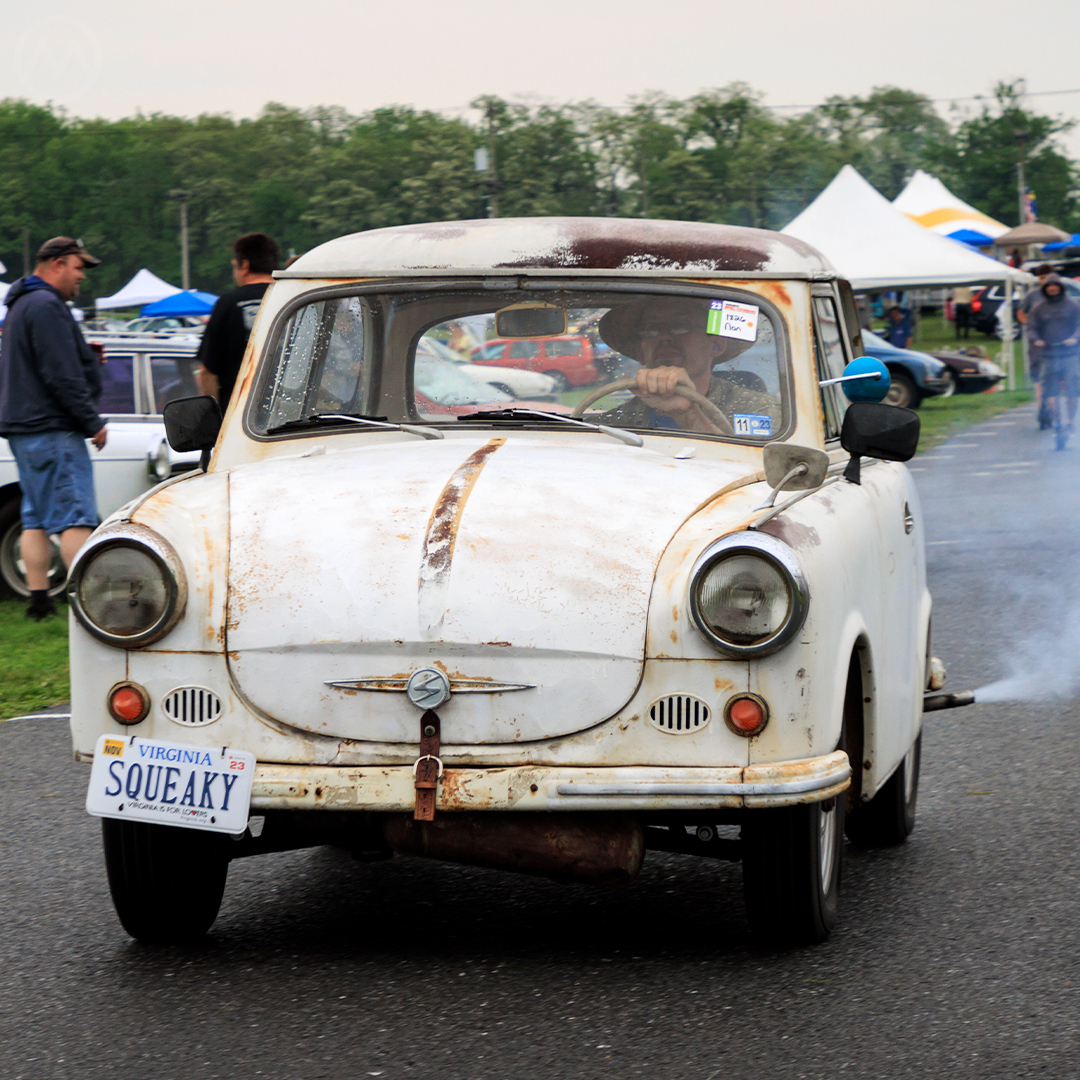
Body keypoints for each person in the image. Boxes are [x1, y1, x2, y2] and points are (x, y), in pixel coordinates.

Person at [0, 237, 107, 619]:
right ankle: (88, 608)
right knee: (75, 515)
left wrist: (85, 359)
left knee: (35, 517)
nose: (82, 277)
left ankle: (39, 602)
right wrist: (91, 421)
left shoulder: (19, 305)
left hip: (22, 427)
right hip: (53, 428)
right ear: (57, 263)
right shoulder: (48, 306)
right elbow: (60, 376)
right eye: (79, 268)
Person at [596, 296, 779, 437]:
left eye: (681, 325)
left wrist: (688, 414)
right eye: (651, 328)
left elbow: (760, 473)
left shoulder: (757, 410)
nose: (664, 337)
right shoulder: (614, 424)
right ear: (641, 352)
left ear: (716, 345)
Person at [196, 232, 280, 410]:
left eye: (235, 265)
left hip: (239, 419)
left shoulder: (228, 303)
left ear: (245, 266)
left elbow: (207, 372)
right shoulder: (291, 298)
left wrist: (216, 419)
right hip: (286, 416)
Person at [1029, 273, 1080, 448]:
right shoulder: (1038, 308)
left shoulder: (1072, 306)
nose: (1052, 288)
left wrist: (1074, 338)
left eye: (1055, 285)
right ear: (1045, 289)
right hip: (1048, 354)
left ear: (1060, 287)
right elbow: (1031, 328)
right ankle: (1057, 422)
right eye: (1048, 286)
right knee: (1051, 391)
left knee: (1073, 390)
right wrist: (1037, 339)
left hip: (1070, 354)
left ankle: (1071, 422)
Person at [1017, 264, 1054, 428]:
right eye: (1041, 278)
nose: (1044, 281)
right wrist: (1029, 324)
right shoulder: (1032, 296)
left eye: (1047, 277)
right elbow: (1020, 312)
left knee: (1052, 377)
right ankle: (1041, 409)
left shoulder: (1058, 294)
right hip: (1036, 345)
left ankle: (1052, 412)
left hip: (1055, 345)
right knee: (1038, 377)